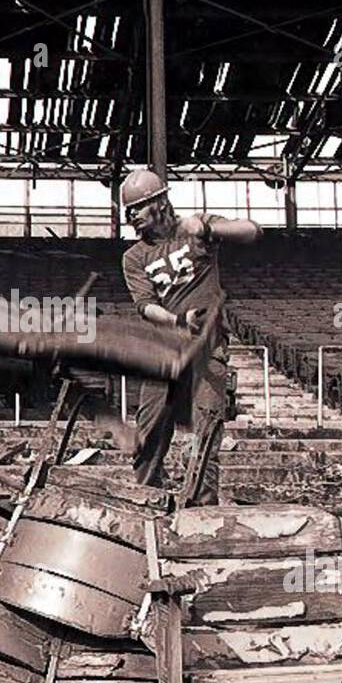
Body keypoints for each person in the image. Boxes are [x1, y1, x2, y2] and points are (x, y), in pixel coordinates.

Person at [120, 168, 260, 505]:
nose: (131, 218)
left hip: (207, 351)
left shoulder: (196, 228)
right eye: (128, 212)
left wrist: (209, 227)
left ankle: (202, 507)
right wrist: (179, 319)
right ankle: (146, 498)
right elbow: (145, 306)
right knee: (150, 430)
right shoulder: (133, 257)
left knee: (207, 430)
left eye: (136, 209)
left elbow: (253, 231)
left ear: (158, 203)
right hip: (162, 350)